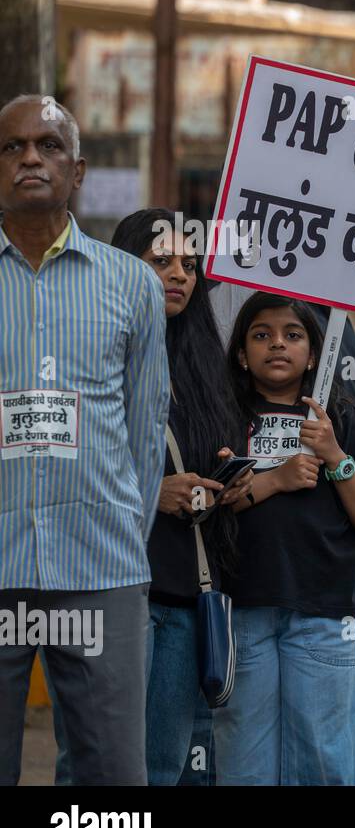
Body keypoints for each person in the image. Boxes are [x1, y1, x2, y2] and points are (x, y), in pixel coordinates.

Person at [0, 95, 170, 786]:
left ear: (79, 172)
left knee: (112, 777)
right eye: (12, 147)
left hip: (101, 570)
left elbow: (145, 427)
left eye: (48, 145)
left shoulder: (132, 284)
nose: (30, 158)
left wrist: (123, 532)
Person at [214, 294, 355, 785]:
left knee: (324, 761)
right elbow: (208, 505)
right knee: (244, 763)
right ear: (240, 352)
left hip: (324, 613)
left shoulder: (342, 420)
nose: (277, 344)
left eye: (293, 335)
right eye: (261, 334)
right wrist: (275, 479)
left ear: (314, 354)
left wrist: (335, 455)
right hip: (243, 612)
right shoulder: (222, 417)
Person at [110, 209, 252, 785]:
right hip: (118, 589)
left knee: (166, 766)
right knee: (101, 765)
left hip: (187, 590)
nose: (180, 275)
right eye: (161, 260)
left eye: (190, 265)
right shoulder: (100, 350)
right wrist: (153, 490)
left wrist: (231, 483)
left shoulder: (204, 361)